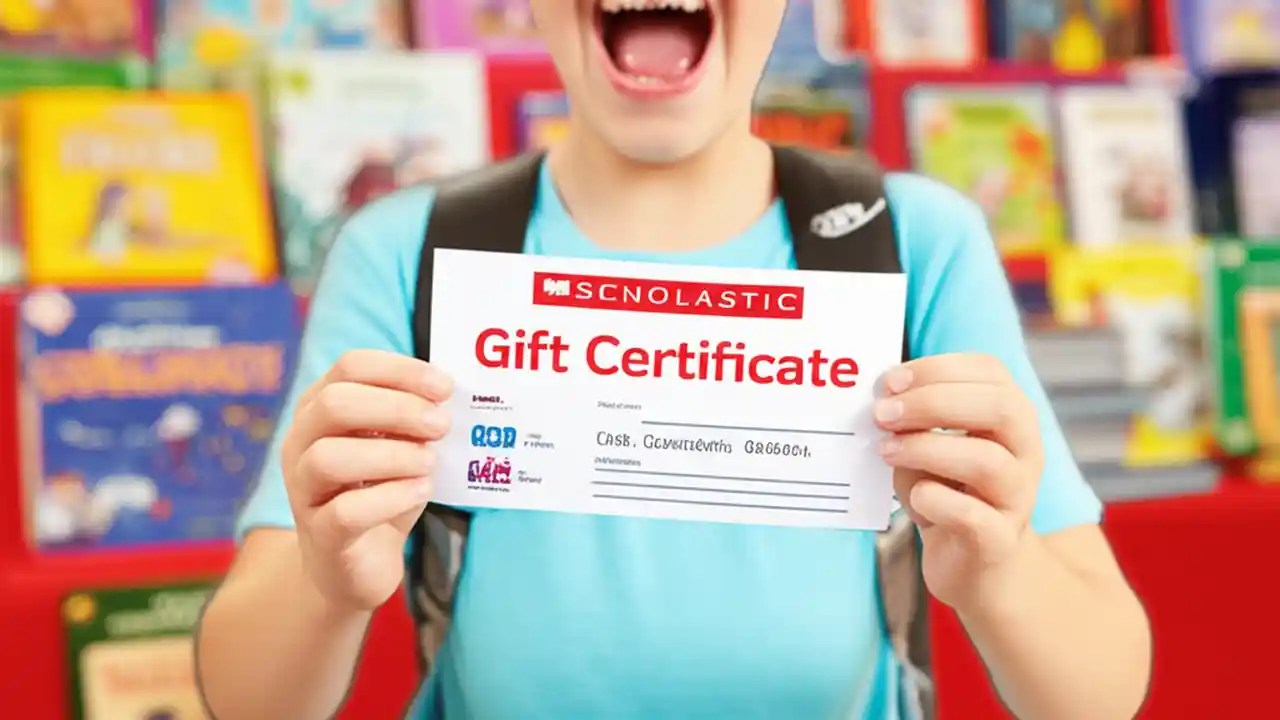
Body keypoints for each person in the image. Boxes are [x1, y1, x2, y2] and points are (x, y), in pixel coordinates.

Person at [196, 1, 1152, 718]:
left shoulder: (914, 243)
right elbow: (243, 699)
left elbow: (1101, 690)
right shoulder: (408, 252)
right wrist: (324, 586)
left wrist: (1001, 571)